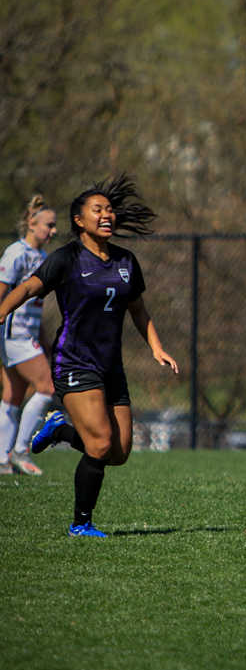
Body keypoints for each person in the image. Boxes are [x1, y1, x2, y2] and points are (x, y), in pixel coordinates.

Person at [1, 175, 178, 537]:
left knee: (119, 452)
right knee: (99, 443)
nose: (106, 215)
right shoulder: (67, 258)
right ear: (79, 220)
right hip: (74, 362)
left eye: (109, 209)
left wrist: (156, 346)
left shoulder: (126, 261)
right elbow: (29, 287)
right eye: (97, 210)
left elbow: (138, 310)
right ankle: (81, 524)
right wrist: (2, 310)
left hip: (112, 366)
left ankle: (60, 430)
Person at [0, 196, 57, 476]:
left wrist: (43, 335)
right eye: (49, 225)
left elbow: (35, 303)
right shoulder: (16, 253)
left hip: (27, 334)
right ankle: (20, 451)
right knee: (47, 387)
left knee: (13, 396)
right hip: (14, 334)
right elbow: (2, 291)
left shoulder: (42, 257)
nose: (53, 231)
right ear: (31, 224)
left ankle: (2, 460)